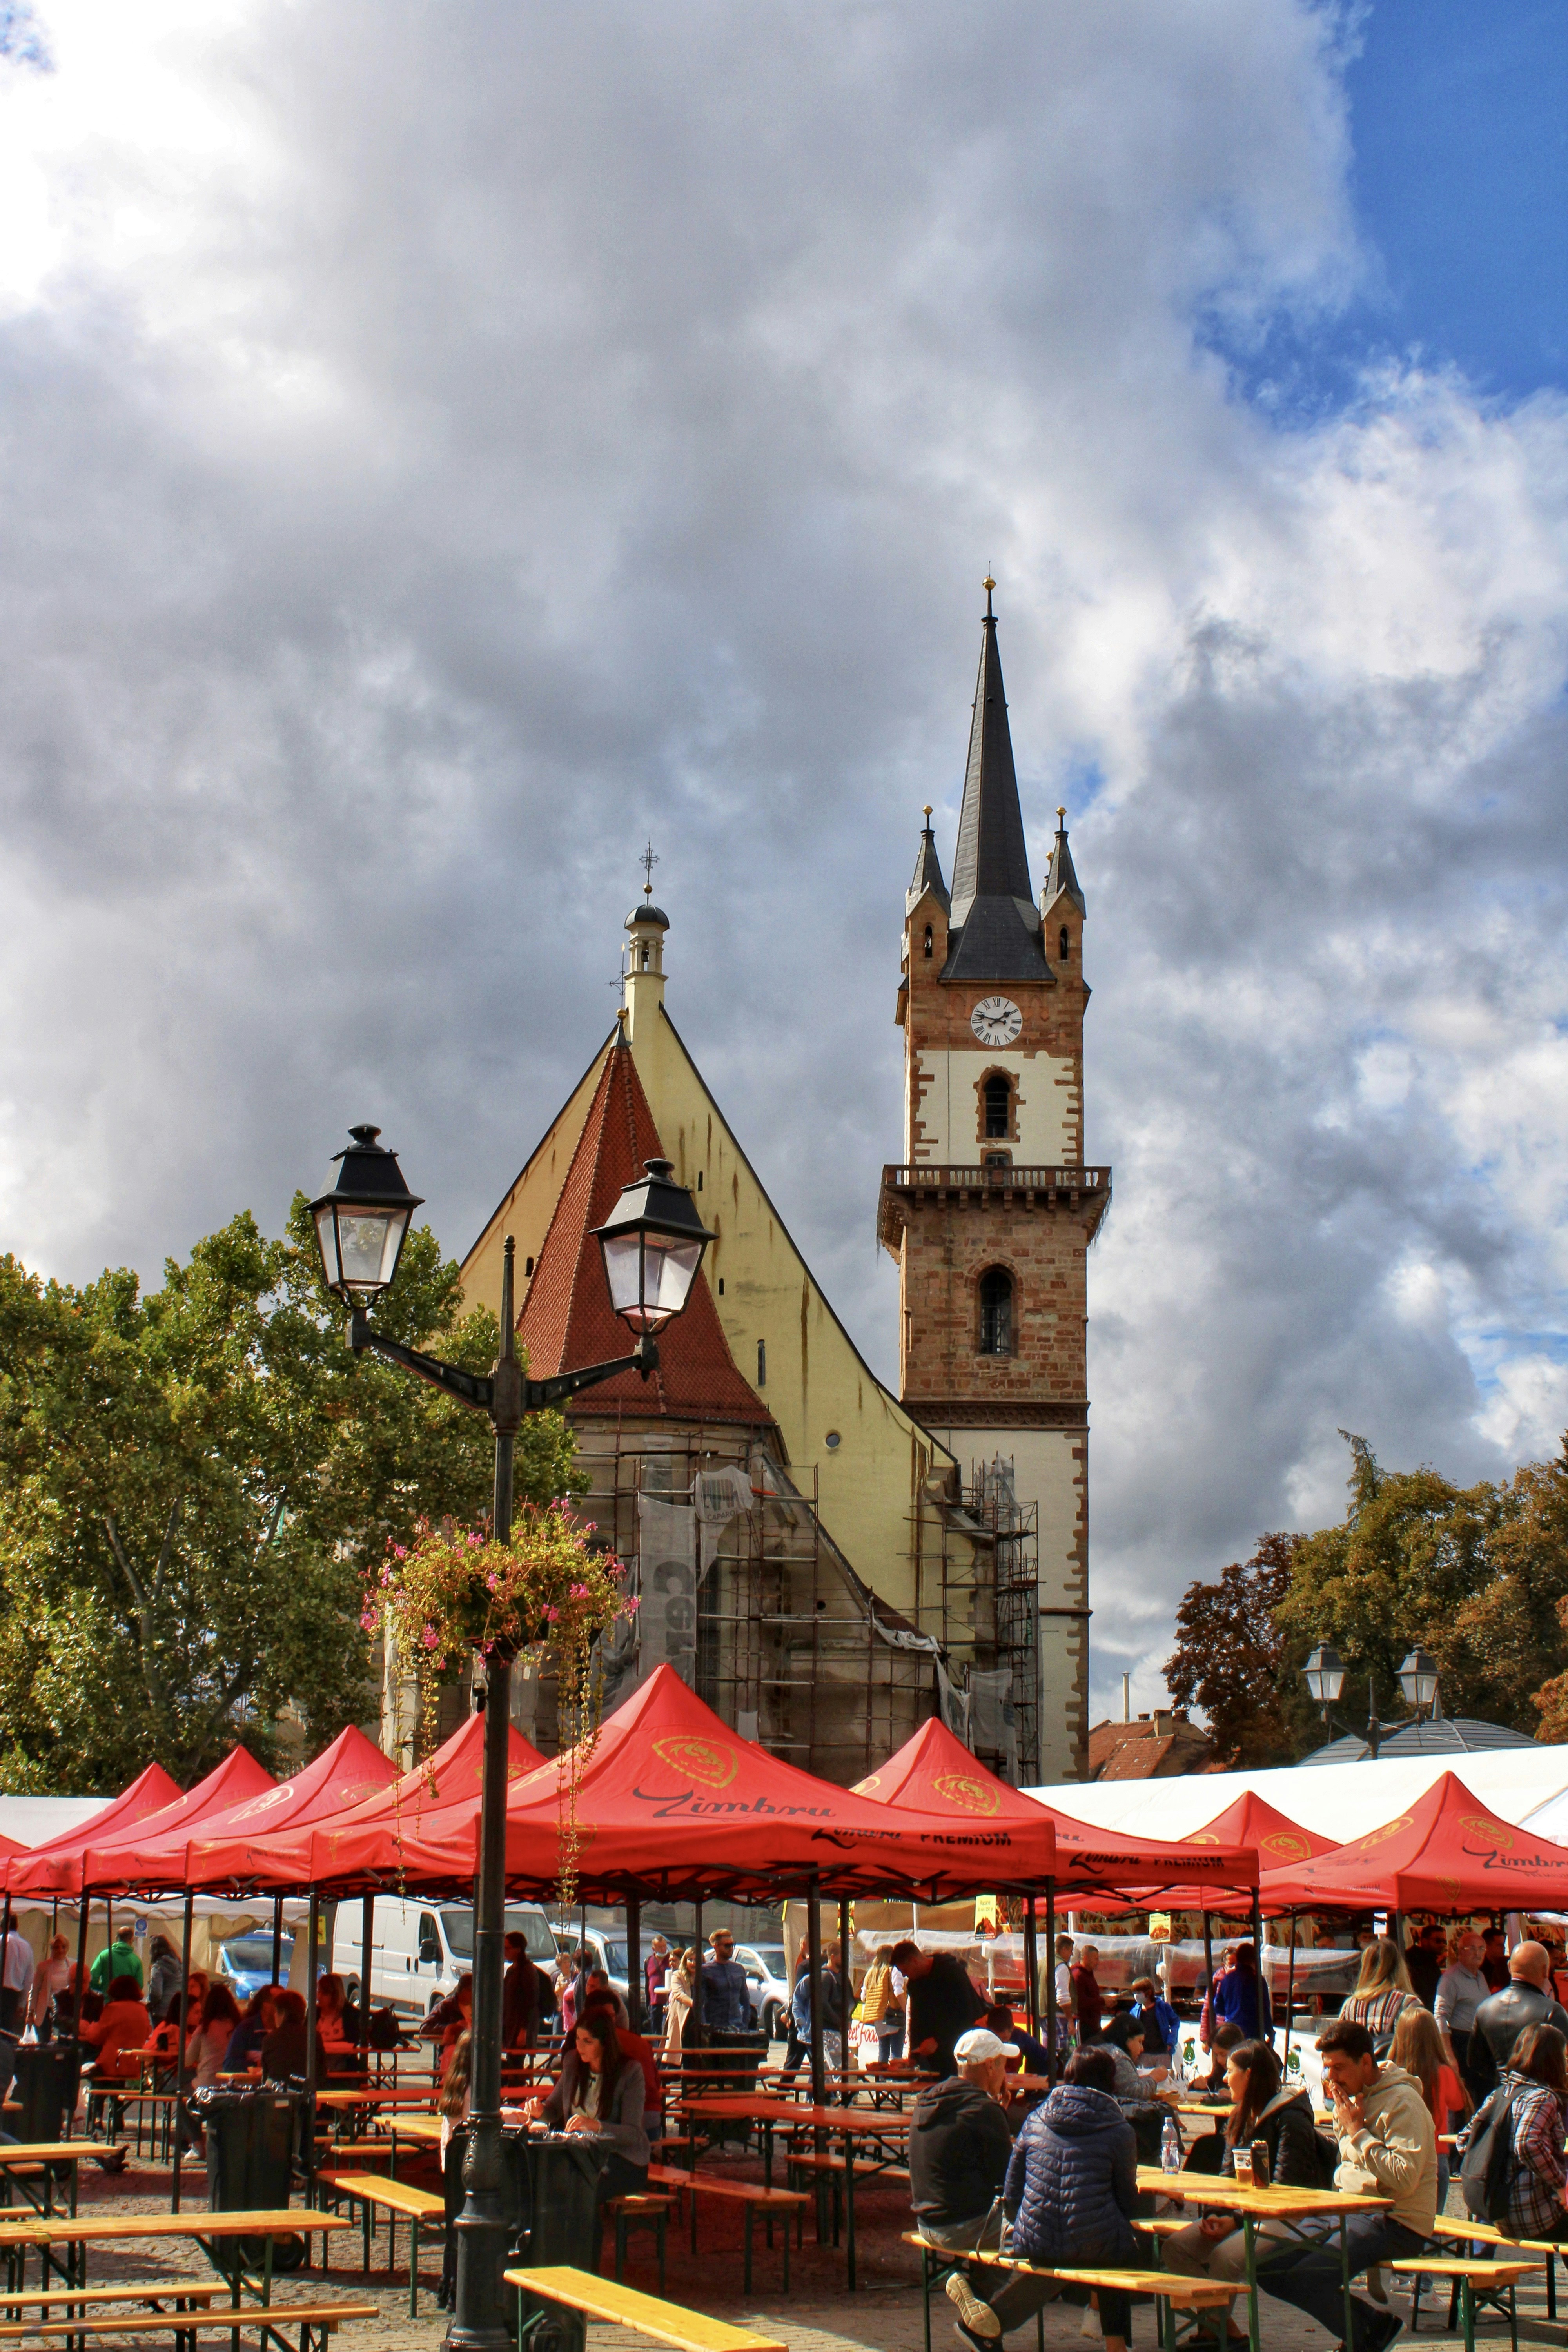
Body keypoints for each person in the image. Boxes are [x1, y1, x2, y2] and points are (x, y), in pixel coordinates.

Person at [1257, 2016, 1436, 2352]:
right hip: (1348, 2209)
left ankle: (1367, 2334)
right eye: (1327, 2068)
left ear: (1366, 2062)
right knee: (1267, 2265)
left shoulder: (1404, 2103)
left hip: (1396, 2221)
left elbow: (1405, 2178)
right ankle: (1371, 2329)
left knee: (1308, 2278)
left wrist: (1359, 2133)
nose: (1331, 2077)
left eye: (1339, 2068)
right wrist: (1346, 2126)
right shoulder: (1353, 2098)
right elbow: (1349, 2161)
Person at [947, 2045, 1138, 2352]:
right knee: (1114, 2247)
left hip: (1035, 2237)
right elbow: (1128, 2198)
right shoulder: (1119, 2129)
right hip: (1091, 2242)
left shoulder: (1036, 2119)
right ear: (1110, 2082)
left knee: (1070, 2249)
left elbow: (1012, 2188)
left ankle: (989, 2323)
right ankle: (1117, 2345)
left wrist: (1025, 2221)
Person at [1164, 2038, 1322, 2323]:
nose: (1224, 2078)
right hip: (1245, 2213)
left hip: (1289, 2217)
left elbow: (1287, 2189)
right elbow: (1227, 2176)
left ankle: (1215, 2333)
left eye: (1230, 2070)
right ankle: (1224, 2330)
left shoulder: (1291, 2116)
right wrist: (1216, 2214)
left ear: (1249, 2075)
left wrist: (1236, 2221)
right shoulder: (1240, 2115)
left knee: (1224, 2258)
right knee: (1176, 2248)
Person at [533, 2010, 650, 2255]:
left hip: (623, 2160)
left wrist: (595, 2125)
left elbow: (633, 2135)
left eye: (588, 2042)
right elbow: (554, 2111)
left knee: (584, 2189)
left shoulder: (630, 2072)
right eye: (578, 2039)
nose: (581, 2047)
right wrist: (537, 2111)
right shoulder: (573, 2063)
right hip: (582, 2154)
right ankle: (555, 2255)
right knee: (547, 2181)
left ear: (604, 2043)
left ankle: (586, 2261)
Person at [1457, 2020, 1568, 2245]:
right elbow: (1527, 2143)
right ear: (1553, 2060)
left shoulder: (1500, 2094)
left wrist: (1498, 2167)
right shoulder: (1541, 2098)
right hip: (1536, 2216)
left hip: (1501, 2214)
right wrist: (1560, 2184)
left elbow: (1464, 2140)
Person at [909, 2025, 1016, 2253]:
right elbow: (1009, 2179)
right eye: (1003, 2065)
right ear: (990, 2066)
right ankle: (987, 2290)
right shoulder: (983, 2110)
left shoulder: (929, 2101)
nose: (1005, 2074)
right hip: (962, 2227)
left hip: (926, 2223)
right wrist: (1000, 2115)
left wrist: (999, 2111)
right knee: (1049, 2232)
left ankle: (979, 2288)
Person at [1390, 2004, 1467, 2207]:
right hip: (1436, 2154)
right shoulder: (1443, 2072)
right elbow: (1459, 2103)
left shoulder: (1391, 2074)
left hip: (1398, 2153)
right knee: (1433, 2223)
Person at [1472, 1939, 1568, 2093]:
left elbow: (1475, 2061)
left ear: (1510, 1967)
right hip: (1541, 2102)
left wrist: (1503, 2080)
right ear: (1545, 1970)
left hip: (1501, 2097)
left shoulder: (1484, 2008)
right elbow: (1563, 2065)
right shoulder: (1552, 2011)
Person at [890, 1939, 989, 2078]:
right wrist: (914, 2055)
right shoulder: (916, 1984)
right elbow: (917, 2019)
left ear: (914, 1961)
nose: (905, 1976)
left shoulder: (950, 1971)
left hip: (963, 2046)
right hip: (937, 2053)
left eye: (905, 1971)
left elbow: (966, 2013)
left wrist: (939, 2040)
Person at [80, 1974, 152, 2136]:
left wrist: (87, 2027)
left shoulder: (112, 2009)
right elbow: (147, 2032)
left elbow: (96, 2037)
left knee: (98, 2077)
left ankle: (97, 2119)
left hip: (113, 2063)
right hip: (134, 2065)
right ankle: (118, 2117)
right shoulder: (143, 2010)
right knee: (114, 2081)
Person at [581, 1984, 661, 2119]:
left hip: (624, 2121)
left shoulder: (599, 2044)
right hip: (653, 2117)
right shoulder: (640, 2043)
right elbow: (657, 2082)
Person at [1435, 1929, 1491, 2101]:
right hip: (1462, 2043)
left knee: (1485, 2094)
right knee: (1467, 2098)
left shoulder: (1480, 1976)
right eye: (1472, 1948)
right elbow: (1440, 2016)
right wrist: (1448, 2053)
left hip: (1480, 2043)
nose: (1478, 1953)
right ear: (1460, 1952)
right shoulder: (1450, 1979)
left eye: (1482, 1949)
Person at [1337, 1938, 1423, 2049]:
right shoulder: (1408, 2003)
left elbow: (1340, 2046)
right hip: (1395, 2066)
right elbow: (1419, 2049)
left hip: (1360, 2066)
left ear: (1365, 1969)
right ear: (1400, 1966)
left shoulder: (1350, 2005)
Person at [261, 1987, 328, 2082]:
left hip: (279, 2093)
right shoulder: (314, 2037)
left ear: (283, 2014)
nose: (275, 2016)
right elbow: (322, 2072)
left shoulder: (270, 2039)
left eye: (277, 2012)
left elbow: (266, 2076)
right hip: (307, 2092)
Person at [1209, 1943, 1271, 2043]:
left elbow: (1218, 2008)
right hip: (1253, 2034)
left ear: (1237, 1959)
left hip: (1232, 2032)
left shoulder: (1227, 1980)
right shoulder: (1258, 1980)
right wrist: (1270, 2032)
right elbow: (1265, 2010)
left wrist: (1231, 2011)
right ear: (1254, 1961)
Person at [700, 1929, 751, 2033]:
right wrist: (705, 2028)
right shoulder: (705, 1971)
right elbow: (699, 2004)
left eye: (733, 1945)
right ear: (716, 1946)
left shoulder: (739, 1970)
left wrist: (744, 2025)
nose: (731, 1949)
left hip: (737, 2028)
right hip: (715, 2028)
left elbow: (745, 2001)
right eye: (727, 1946)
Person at [985, 2002, 1050, 2082]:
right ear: (987, 2028)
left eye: (1005, 2039)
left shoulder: (1020, 2037)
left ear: (1012, 2028)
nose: (1001, 2043)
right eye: (997, 2038)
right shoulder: (981, 2041)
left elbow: (1044, 2058)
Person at [26, 1934, 73, 2038]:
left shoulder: (74, 1965)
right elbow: (35, 1990)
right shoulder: (43, 1966)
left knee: (62, 2039)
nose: (60, 1950)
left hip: (64, 2010)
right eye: (57, 1947)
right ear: (52, 1949)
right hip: (46, 2009)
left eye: (63, 1947)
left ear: (68, 1948)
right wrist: (31, 2012)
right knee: (44, 2041)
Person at [502, 1932, 543, 2051]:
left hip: (521, 2028)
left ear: (518, 1949)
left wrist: (524, 2031)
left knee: (516, 2065)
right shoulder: (512, 1970)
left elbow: (530, 2002)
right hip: (511, 2025)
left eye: (507, 1948)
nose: (505, 1951)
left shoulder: (528, 1971)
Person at [222, 1986, 277, 2074]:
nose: (285, 2007)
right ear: (266, 2006)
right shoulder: (246, 2029)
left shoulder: (286, 2031)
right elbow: (229, 2065)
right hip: (251, 2085)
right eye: (280, 2003)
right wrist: (257, 2064)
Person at [1129, 1975, 1180, 2061]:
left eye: (1139, 1992)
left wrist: (1171, 2042)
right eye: (1135, 1993)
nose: (1136, 1996)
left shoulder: (1162, 2007)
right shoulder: (1134, 2012)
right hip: (1143, 2055)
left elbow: (1175, 2022)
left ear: (1149, 1992)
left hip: (1162, 2054)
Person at [661, 1949, 697, 2060]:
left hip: (700, 2019)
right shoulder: (678, 1975)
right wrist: (695, 2004)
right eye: (690, 1960)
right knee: (676, 2056)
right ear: (685, 1961)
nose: (693, 1963)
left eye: (696, 1960)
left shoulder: (705, 1976)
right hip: (682, 2019)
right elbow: (679, 1994)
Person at [426, 1973, 474, 2055]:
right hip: (453, 2055)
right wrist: (452, 2028)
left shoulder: (480, 2007)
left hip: (475, 2053)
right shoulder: (446, 2006)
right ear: (464, 1991)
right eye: (473, 1991)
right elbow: (426, 2027)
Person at [315, 1973, 364, 2051]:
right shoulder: (315, 2012)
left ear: (335, 1995)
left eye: (324, 1994)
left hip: (343, 2060)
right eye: (319, 1992)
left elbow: (354, 2041)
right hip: (318, 2061)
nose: (319, 1997)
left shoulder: (350, 2014)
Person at [1405, 1922, 1448, 2012]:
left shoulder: (1431, 1960)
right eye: (1438, 1941)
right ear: (1424, 1941)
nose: (1442, 1945)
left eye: (1443, 1941)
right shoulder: (1413, 1959)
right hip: (1419, 2010)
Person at [0, 1920, 33, 2033]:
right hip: (14, 1996)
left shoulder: (2, 1941)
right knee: (8, 2033)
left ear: (2, 1928)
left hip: (2, 1990)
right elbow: (29, 1978)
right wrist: (22, 2004)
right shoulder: (27, 1946)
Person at [89, 1929, 143, 1996]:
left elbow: (93, 1977)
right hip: (126, 2002)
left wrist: (103, 1989)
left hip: (108, 2000)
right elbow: (140, 1985)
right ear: (132, 1940)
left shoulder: (104, 1955)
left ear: (117, 1938)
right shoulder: (136, 1960)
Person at [1069, 1944, 1103, 2045]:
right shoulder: (1078, 1975)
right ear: (1086, 1958)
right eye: (1095, 1959)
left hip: (1094, 2025)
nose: (1098, 1962)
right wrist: (1102, 2001)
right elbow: (1080, 2002)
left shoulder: (1089, 1974)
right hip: (1083, 2025)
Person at [145, 1935, 183, 2020]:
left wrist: (150, 2004)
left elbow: (156, 1993)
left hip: (162, 2011)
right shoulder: (179, 1964)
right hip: (179, 2009)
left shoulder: (158, 1967)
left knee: (160, 2033)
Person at [644, 1937, 670, 2036]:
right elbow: (648, 1984)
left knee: (666, 2031)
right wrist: (648, 2004)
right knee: (656, 2032)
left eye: (664, 1946)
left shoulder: (671, 1959)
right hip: (654, 2002)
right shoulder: (649, 1961)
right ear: (654, 1949)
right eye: (660, 1947)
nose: (663, 1949)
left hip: (667, 2002)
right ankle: (658, 2050)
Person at [1481, 1927, 1510, 1991]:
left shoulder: (1507, 1967)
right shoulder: (1479, 1971)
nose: (1504, 1948)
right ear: (1486, 1946)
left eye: (1504, 1945)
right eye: (1500, 1945)